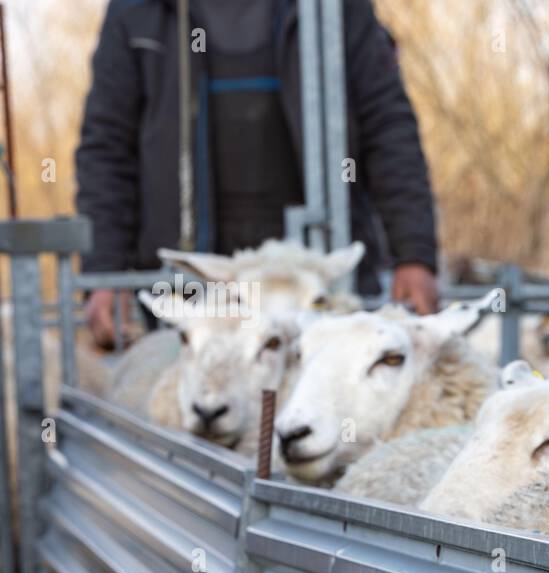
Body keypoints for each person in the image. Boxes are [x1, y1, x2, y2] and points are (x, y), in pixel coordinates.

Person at [75, 0, 440, 348]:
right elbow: (107, 148)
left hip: (317, 284)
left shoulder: (336, 8)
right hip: (192, 289)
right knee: (196, 402)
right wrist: (104, 274)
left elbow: (388, 128)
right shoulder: (139, 10)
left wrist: (414, 254)